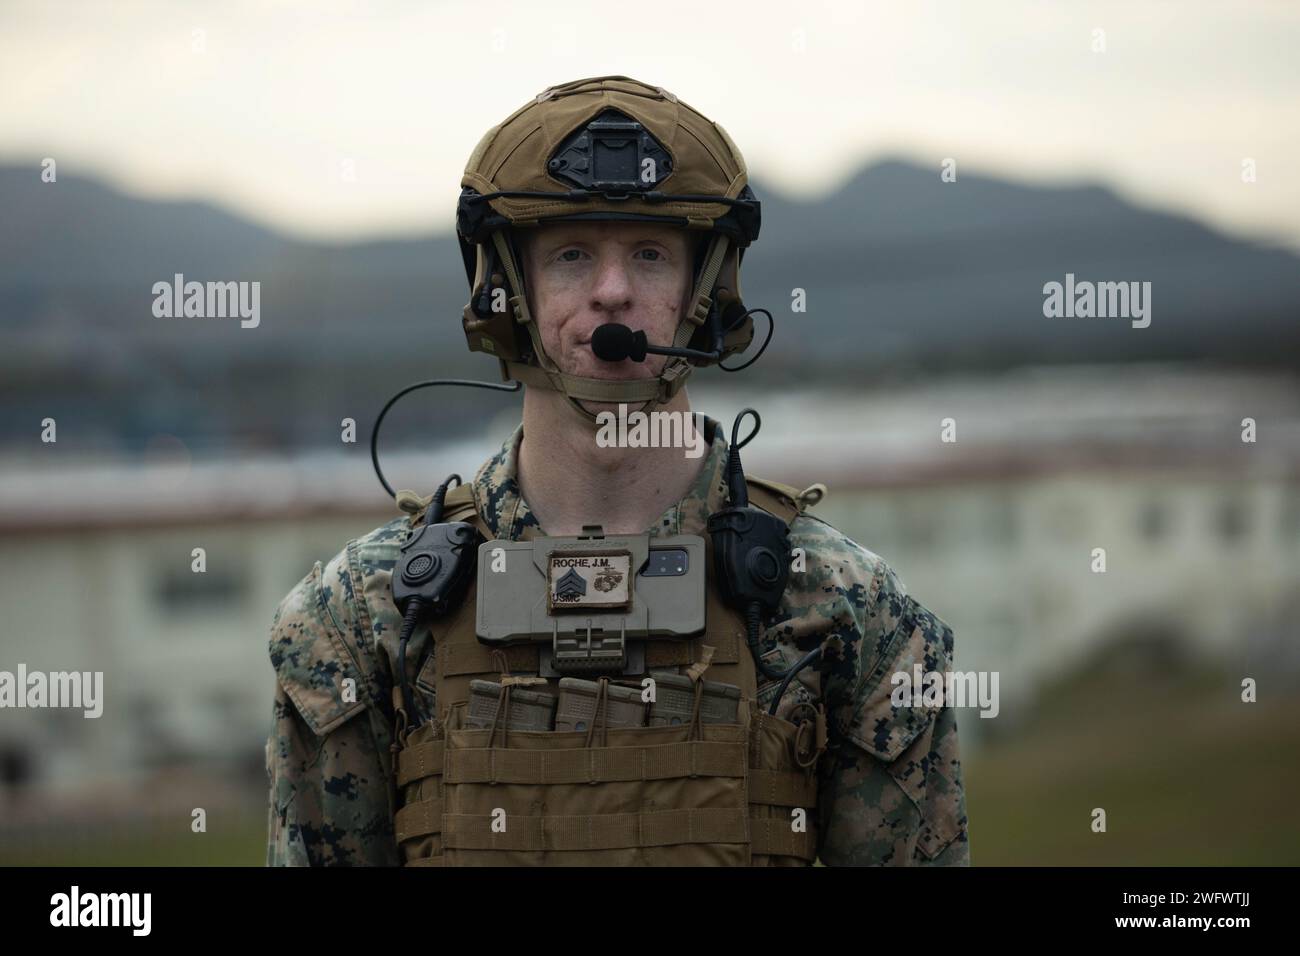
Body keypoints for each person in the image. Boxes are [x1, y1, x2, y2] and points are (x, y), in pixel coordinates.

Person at [266, 76, 969, 866]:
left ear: (704, 294)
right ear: (511, 292)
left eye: (649, 254)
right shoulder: (365, 620)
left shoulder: (847, 616)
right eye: (571, 255)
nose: (612, 292)